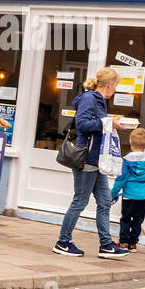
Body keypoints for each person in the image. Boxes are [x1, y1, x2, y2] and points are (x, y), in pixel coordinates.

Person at [51, 68, 130, 259]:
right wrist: (109, 123)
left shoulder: (97, 100)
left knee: (104, 202)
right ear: (110, 85)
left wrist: (110, 121)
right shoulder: (89, 99)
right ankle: (63, 242)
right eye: (115, 86)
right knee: (80, 201)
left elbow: (97, 122)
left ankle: (106, 245)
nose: (115, 90)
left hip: (97, 160)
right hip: (86, 159)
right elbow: (83, 124)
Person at [111, 127, 145, 251]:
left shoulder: (126, 161)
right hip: (142, 196)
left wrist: (112, 193)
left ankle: (124, 242)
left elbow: (121, 180)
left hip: (129, 196)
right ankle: (133, 243)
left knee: (125, 219)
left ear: (131, 142)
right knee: (138, 220)